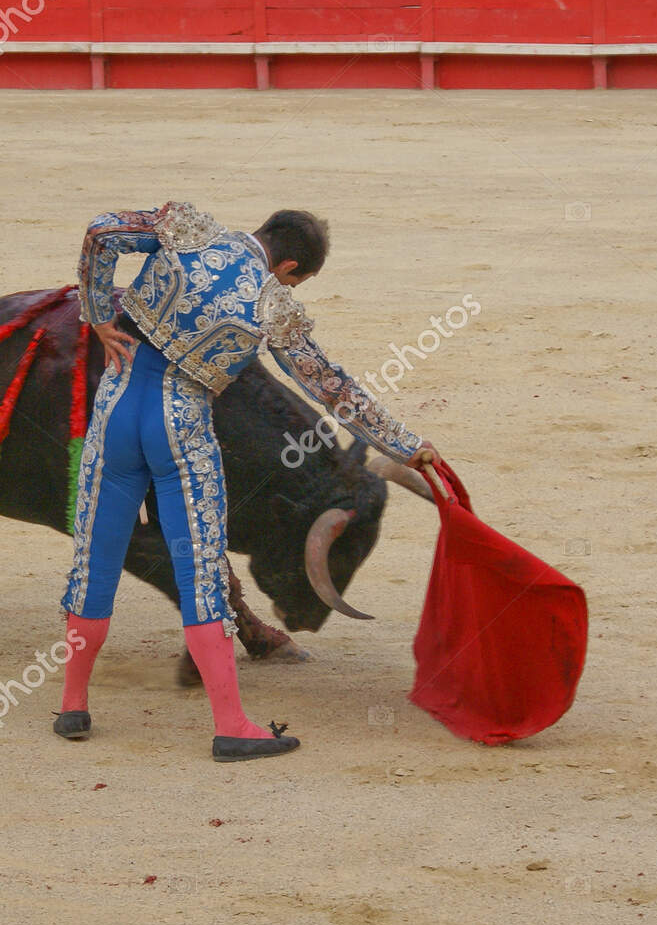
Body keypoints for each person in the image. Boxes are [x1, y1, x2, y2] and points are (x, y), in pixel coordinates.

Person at [57, 202, 439, 761]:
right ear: (289, 269)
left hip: (114, 407)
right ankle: (231, 724)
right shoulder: (272, 304)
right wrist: (405, 443)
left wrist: (97, 313)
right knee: (200, 572)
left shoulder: (188, 229)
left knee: (95, 559)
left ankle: (73, 706)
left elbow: (101, 231)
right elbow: (331, 388)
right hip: (179, 426)